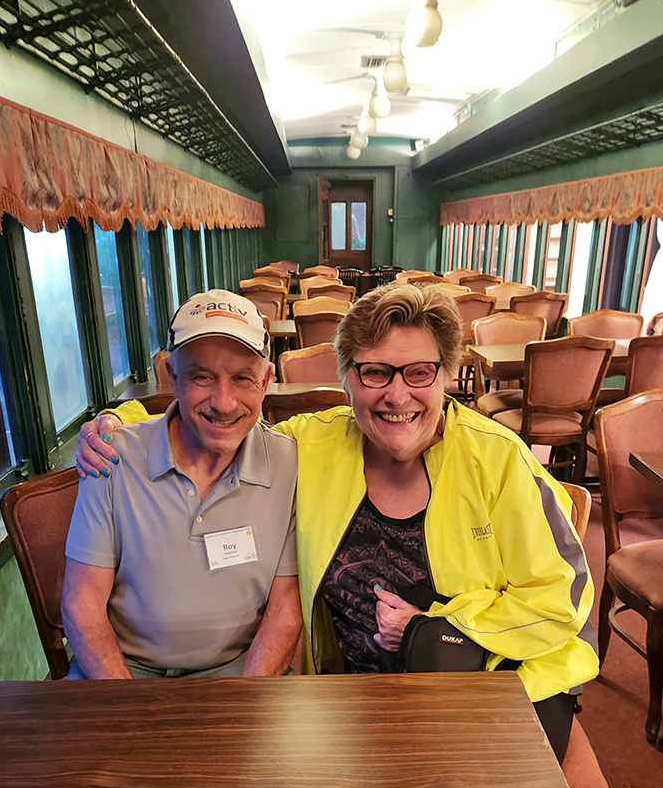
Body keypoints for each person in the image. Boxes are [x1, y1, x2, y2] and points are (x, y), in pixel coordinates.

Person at [78, 283, 598, 761]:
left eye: (419, 372)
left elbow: (566, 597)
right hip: (347, 698)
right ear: (346, 378)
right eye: (374, 372)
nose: (397, 396)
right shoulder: (310, 444)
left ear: (447, 374)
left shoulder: (500, 460)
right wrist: (114, 425)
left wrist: (439, 628)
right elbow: (215, 418)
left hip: (486, 686)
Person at [63, 290, 301, 680]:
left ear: (266, 382)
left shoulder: (288, 461)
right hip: (123, 673)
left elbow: (284, 609)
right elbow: (81, 604)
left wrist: (246, 705)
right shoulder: (110, 457)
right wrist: (129, 713)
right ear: (172, 377)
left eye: (242, 378)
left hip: (241, 672)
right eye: (202, 376)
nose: (223, 403)